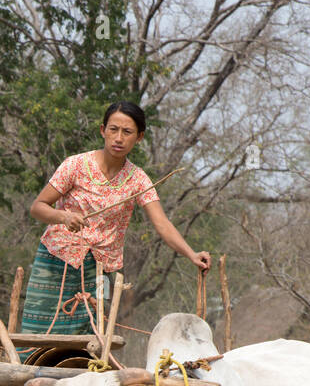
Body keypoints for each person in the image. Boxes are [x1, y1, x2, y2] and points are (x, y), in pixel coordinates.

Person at [24, 101, 210, 337]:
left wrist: (192, 254)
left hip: (100, 271)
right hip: (55, 261)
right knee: (38, 333)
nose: (119, 138)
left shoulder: (138, 180)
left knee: (94, 335)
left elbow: (162, 224)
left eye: (127, 132)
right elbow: (38, 207)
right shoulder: (75, 165)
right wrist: (63, 216)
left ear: (139, 137)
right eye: (113, 130)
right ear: (103, 130)